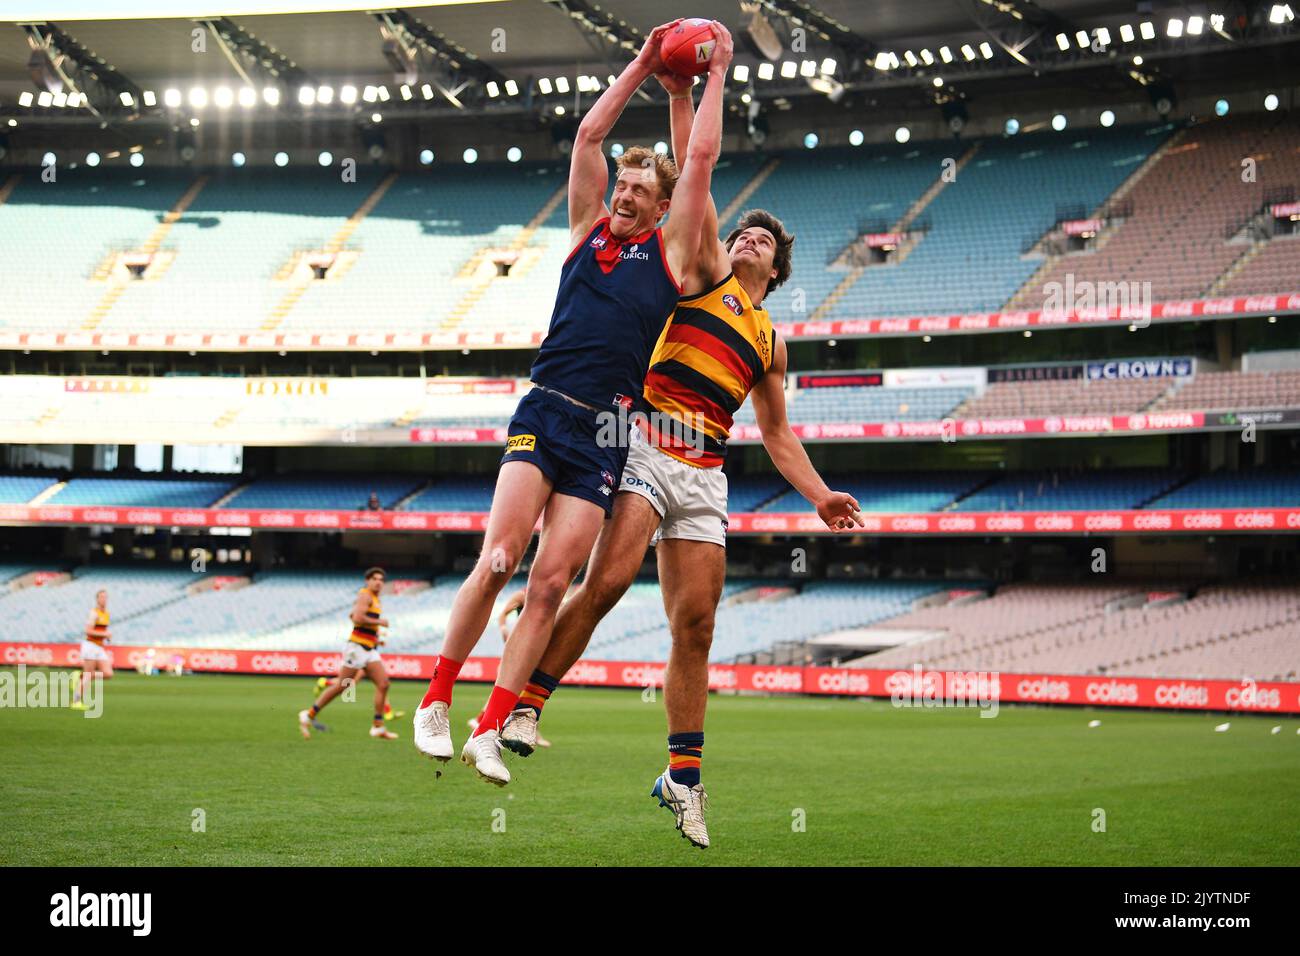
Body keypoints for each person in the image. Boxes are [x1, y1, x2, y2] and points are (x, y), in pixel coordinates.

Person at [495, 72, 863, 847]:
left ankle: (682, 779)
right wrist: (681, 90)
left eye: (762, 238)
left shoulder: (770, 341)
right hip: (647, 441)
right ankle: (526, 701)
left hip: (707, 471)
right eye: (741, 232)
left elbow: (778, 434)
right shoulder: (704, 273)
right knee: (608, 581)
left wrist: (822, 495)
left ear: (779, 270)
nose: (747, 238)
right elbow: (694, 164)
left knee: (695, 625)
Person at [412, 18, 726, 786]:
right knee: (499, 557)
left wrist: (715, 78)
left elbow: (703, 164)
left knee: (551, 583)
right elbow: (589, 138)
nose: (623, 193)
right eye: (622, 185)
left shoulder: (674, 253)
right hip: (547, 407)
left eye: (640, 191)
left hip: (608, 432)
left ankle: (491, 726)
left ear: (660, 208)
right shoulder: (586, 227)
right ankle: (437, 698)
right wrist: (646, 62)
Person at [299, 567, 398, 740]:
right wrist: (380, 621)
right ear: (367, 580)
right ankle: (308, 715)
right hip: (357, 648)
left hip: (368, 649)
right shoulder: (365, 594)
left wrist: (374, 637)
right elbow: (358, 618)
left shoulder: (373, 598)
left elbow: (353, 615)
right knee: (342, 686)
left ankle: (378, 727)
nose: (378, 582)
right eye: (375, 578)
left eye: (381, 579)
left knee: (383, 684)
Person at [71, 588, 112, 710]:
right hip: (90, 646)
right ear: (97, 599)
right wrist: (105, 635)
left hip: (99, 647)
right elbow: (88, 630)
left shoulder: (106, 614)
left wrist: (106, 637)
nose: (104, 599)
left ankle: (79, 676)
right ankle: (76, 701)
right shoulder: (94, 613)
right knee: (89, 675)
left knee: (108, 673)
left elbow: (101, 630)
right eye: (101, 597)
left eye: (105, 597)